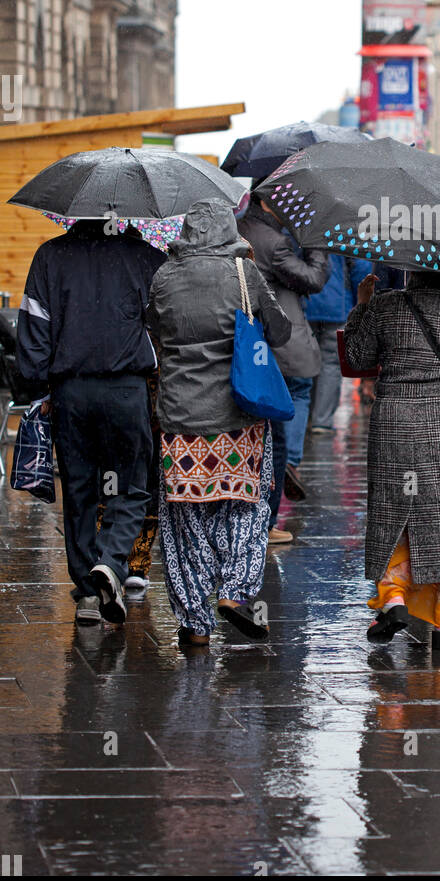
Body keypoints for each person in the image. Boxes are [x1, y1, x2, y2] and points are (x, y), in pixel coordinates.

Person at [147, 199, 291, 645]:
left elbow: (153, 330)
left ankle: (193, 621)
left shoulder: (163, 277)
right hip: (238, 418)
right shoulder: (242, 273)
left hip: (179, 418)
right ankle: (233, 590)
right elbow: (280, 331)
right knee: (244, 504)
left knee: (185, 517)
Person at [16, 221, 166, 627]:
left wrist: (37, 389)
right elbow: (164, 325)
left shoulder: (50, 255)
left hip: (71, 391)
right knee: (132, 485)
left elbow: (34, 326)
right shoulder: (147, 258)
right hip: (126, 389)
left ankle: (86, 592)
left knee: (80, 491)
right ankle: (112, 563)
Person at [343, 268, 440, 654]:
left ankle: (393, 599)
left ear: (410, 267)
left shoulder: (385, 306)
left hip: (394, 420)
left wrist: (362, 307)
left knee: (395, 512)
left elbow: (357, 358)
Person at [237, 187, 329, 525]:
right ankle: (284, 474)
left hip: (249, 337)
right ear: (266, 202)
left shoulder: (241, 229)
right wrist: (318, 247)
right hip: (280, 335)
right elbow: (313, 279)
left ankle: (265, 498)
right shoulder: (274, 242)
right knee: (294, 395)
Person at [305, 252, 372, 433]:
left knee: (306, 360)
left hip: (306, 301)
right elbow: (361, 266)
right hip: (336, 303)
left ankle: (305, 415)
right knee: (331, 363)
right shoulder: (341, 230)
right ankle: (322, 420)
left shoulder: (303, 229)